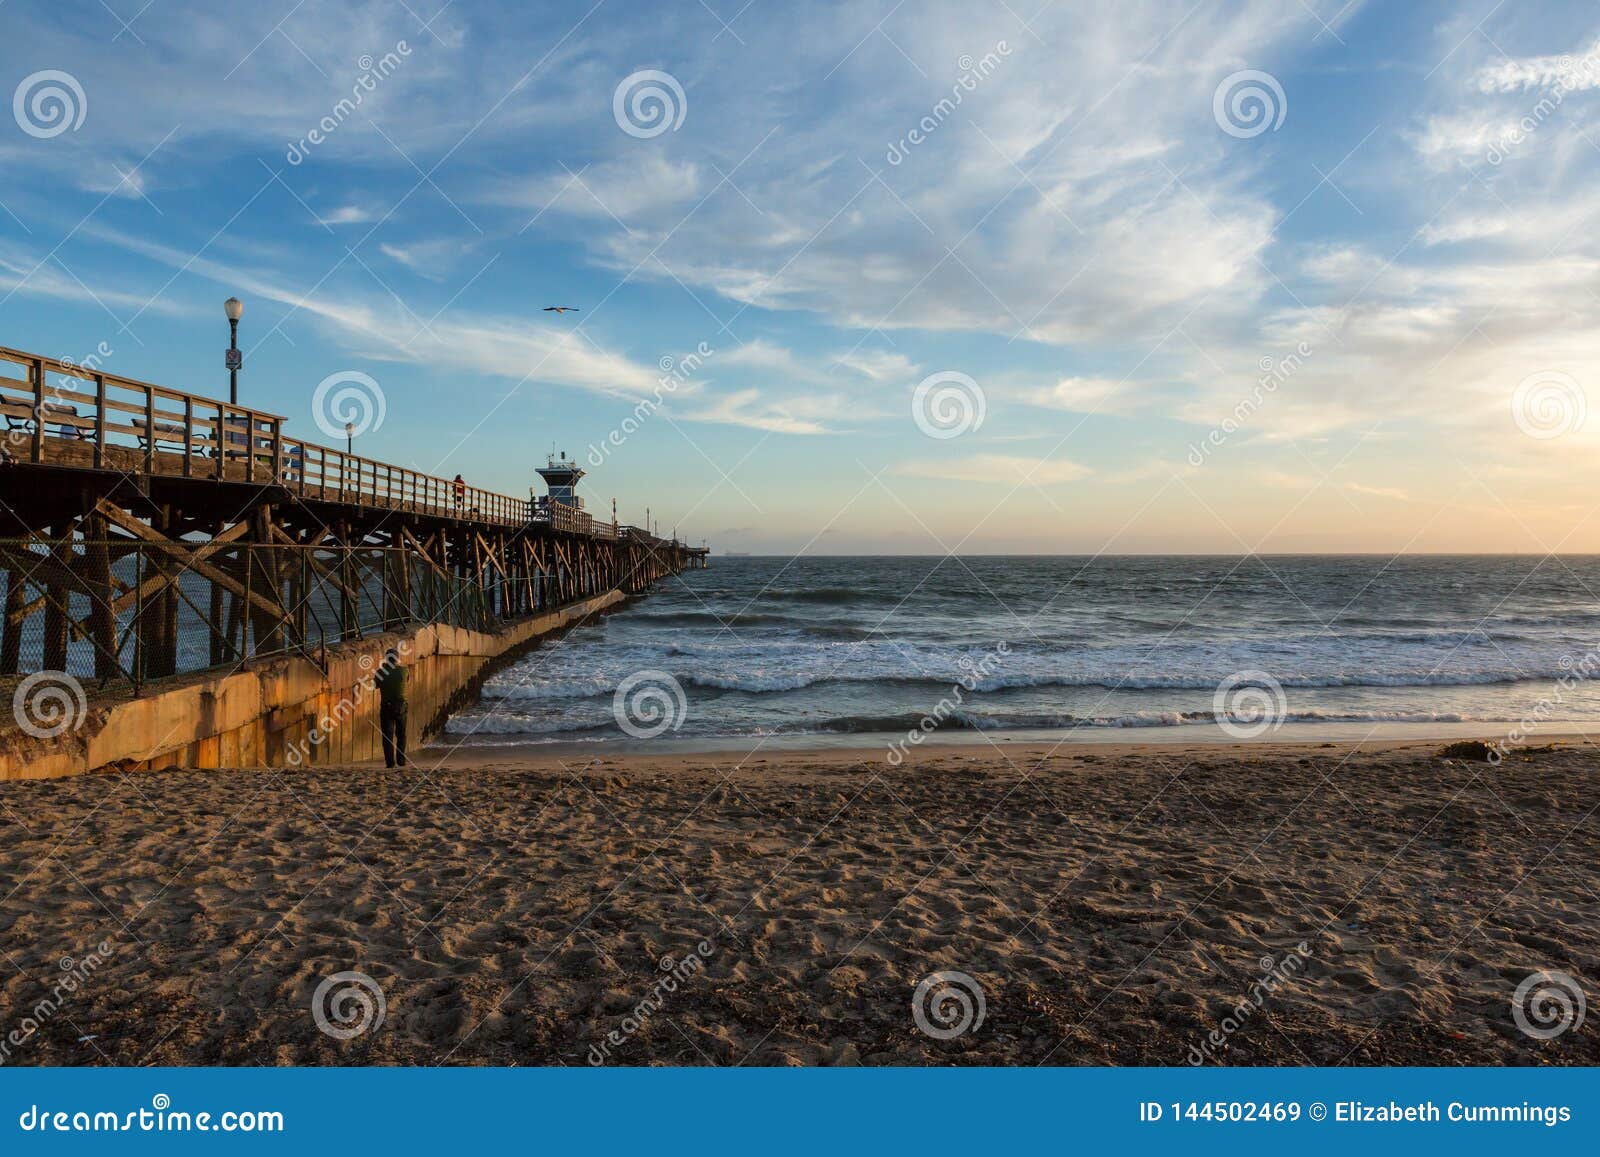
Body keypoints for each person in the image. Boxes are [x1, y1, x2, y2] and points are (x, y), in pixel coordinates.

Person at [376, 648, 408, 768]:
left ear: (386, 659)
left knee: (387, 736)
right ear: (397, 659)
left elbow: (376, 685)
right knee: (401, 734)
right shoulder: (404, 670)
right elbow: (406, 681)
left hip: (386, 707)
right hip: (401, 706)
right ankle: (401, 760)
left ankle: (390, 763)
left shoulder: (381, 672)